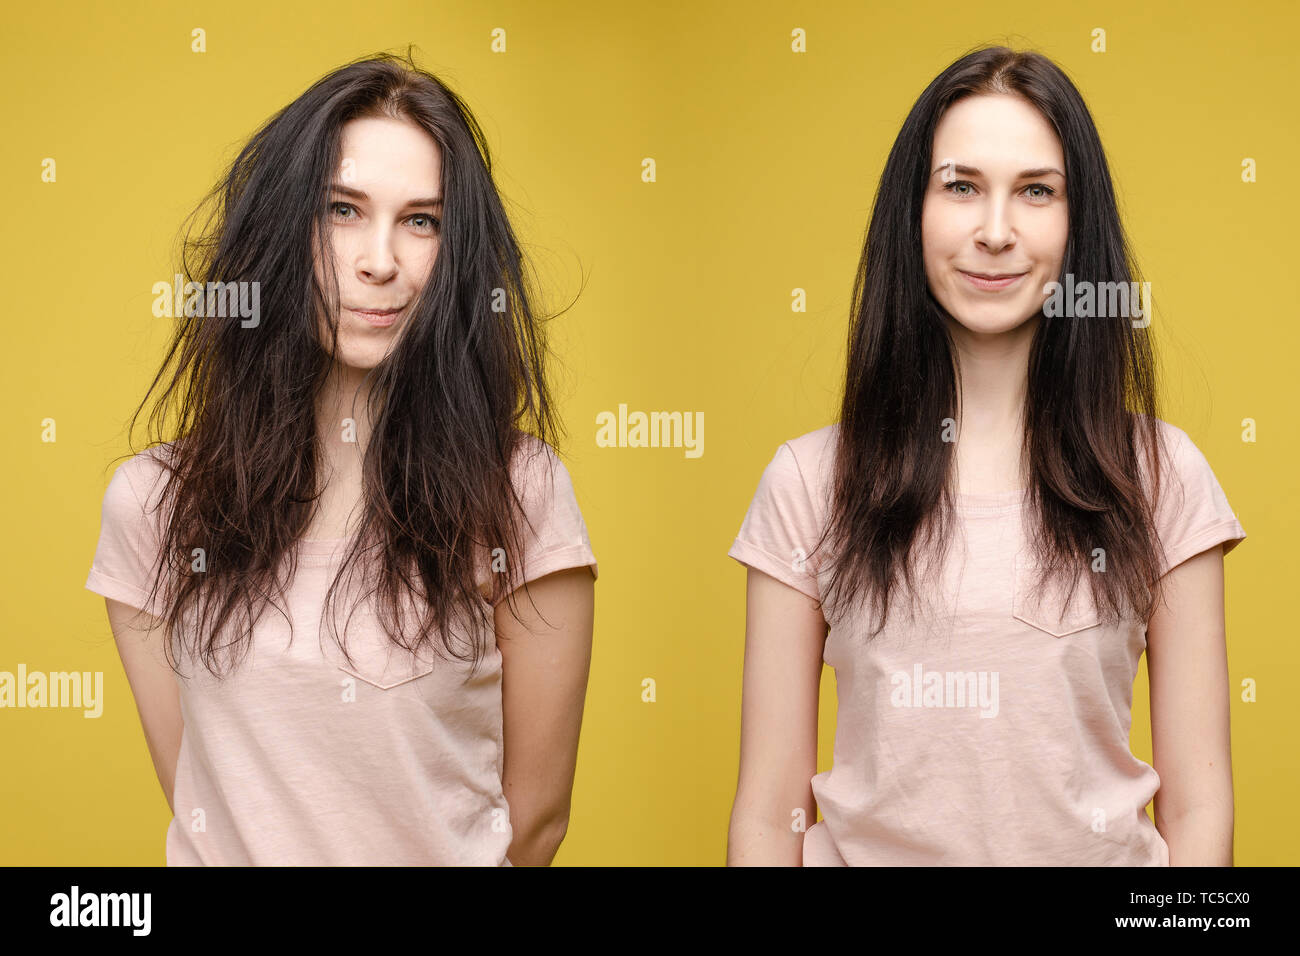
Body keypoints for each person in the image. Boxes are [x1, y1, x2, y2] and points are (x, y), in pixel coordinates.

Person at [726, 46, 1245, 866]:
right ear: (914, 212)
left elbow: (1202, 808)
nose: (995, 232)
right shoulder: (809, 483)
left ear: (1079, 226)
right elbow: (766, 814)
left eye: (1036, 191)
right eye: (961, 186)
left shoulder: (1162, 476)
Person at [85, 52, 597, 866]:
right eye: (343, 210)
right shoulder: (153, 504)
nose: (380, 260)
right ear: (283, 228)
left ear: (456, 252)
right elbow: (209, 801)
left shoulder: (521, 493)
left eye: (421, 221)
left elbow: (533, 822)